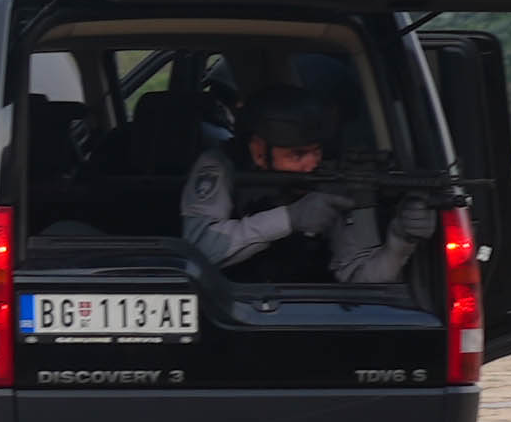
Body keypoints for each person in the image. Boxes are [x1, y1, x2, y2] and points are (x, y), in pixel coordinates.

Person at [180, 86, 427, 282]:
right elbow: (199, 250)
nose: (311, 165)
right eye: (296, 155)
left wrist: (399, 242)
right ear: (258, 150)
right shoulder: (221, 165)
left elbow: (360, 278)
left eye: (316, 151)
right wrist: (289, 218)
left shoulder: (333, 180)